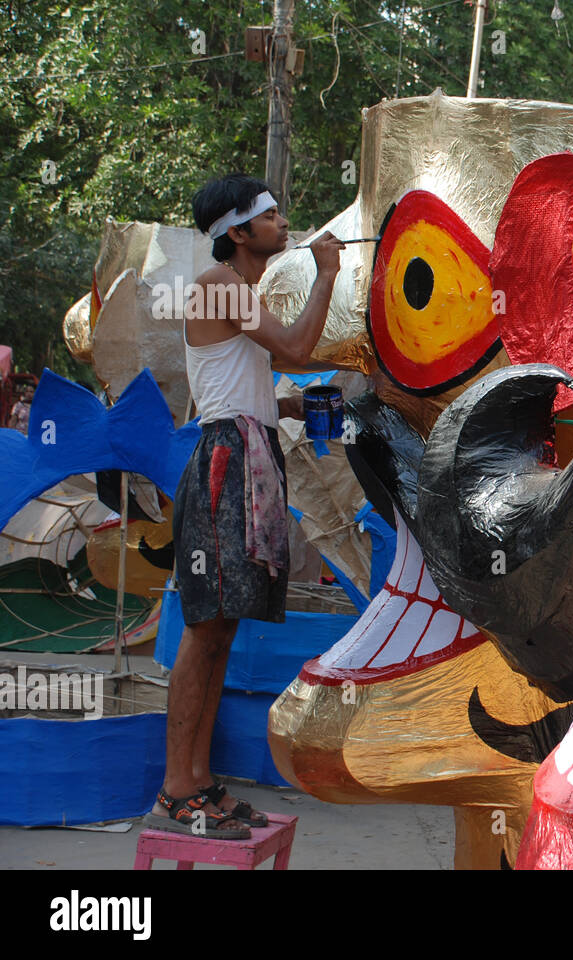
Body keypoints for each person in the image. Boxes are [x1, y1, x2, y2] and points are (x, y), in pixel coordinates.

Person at [145, 173, 345, 838]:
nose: (283, 224)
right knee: (206, 631)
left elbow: (238, 384)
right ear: (236, 232)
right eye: (270, 215)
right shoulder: (220, 287)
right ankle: (176, 791)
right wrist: (325, 276)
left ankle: (199, 783)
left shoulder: (237, 294)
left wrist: (284, 405)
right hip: (228, 462)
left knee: (223, 627)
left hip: (248, 452)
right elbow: (295, 350)